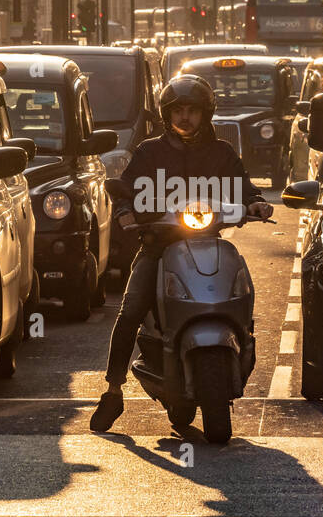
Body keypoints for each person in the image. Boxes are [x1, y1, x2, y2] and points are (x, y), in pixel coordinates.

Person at [90, 74, 272, 433]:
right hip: (159, 248)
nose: (185, 117)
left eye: (193, 111)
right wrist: (124, 206)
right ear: (167, 115)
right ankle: (112, 390)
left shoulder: (222, 153)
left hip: (210, 244)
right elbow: (124, 187)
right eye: (179, 111)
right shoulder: (148, 152)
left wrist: (257, 204)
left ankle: (239, 342)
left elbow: (246, 187)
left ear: (206, 114)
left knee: (242, 292)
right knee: (130, 310)